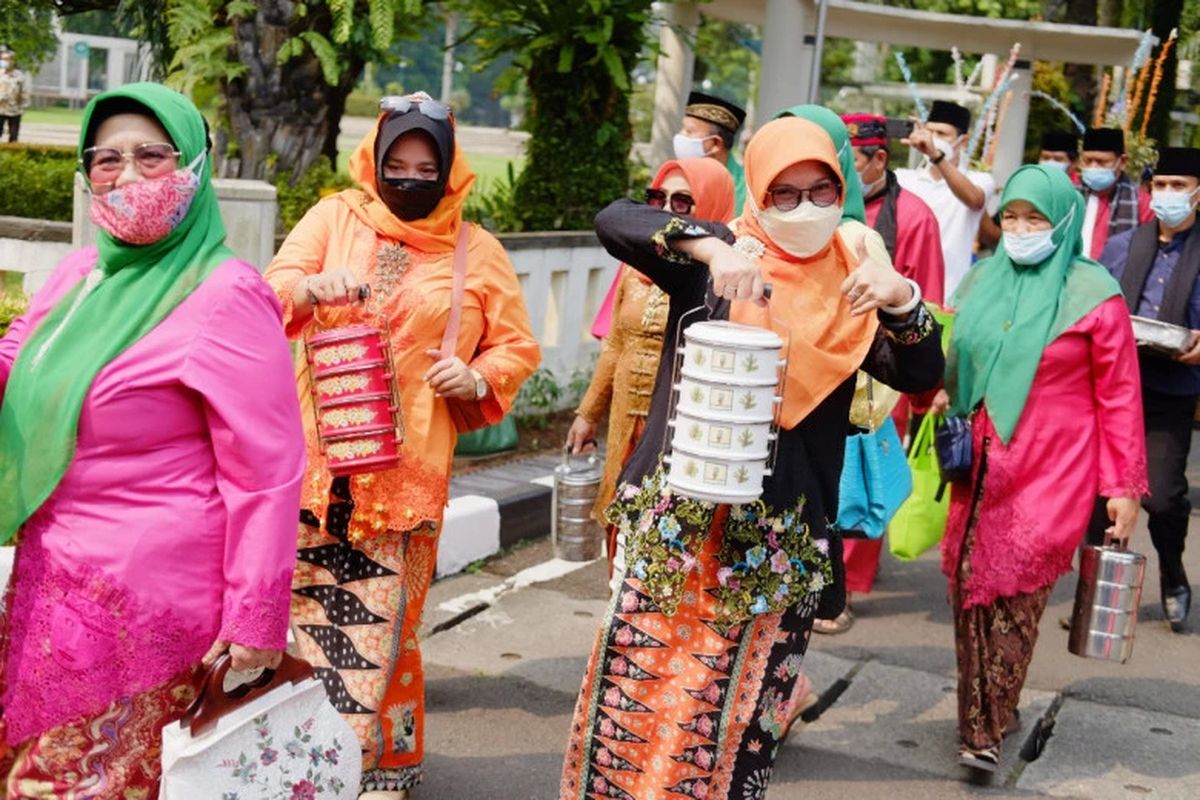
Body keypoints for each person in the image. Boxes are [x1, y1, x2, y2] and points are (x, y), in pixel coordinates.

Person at [559, 115, 944, 800]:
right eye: (784, 193)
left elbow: (919, 373)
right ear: (758, 194)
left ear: (842, 190)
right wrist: (710, 248)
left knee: (735, 711)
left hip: (780, 537)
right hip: (679, 527)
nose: (804, 209)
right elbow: (614, 218)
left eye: (820, 192)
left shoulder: (856, 289)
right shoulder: (719, 261)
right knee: (640, 691)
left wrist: (904, 300)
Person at [0, 83, 305, 794]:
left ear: (193, 165)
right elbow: (19, 360)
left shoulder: (225, 292)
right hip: (49, 584)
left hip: (146, 605)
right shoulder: (83, 274)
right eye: (106, 159)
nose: (127, 176)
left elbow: (267, 470)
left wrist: (257, 616)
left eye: (150, 156)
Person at [265, 92, 539, 799]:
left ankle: (336, 773)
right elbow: (270, 291)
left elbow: (518, 346)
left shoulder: (477, 250)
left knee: (370, 636)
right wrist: (308, 286)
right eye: (398, 163)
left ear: (449, 173)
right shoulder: (335, 216)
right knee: (296, 631)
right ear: (375, 161)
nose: (410, 178)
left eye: (427, 167)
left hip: (403, 478)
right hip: (310, 470)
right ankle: (352, 763)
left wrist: (477, 374)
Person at [931, 164, 1146, 773]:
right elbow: (956, 351)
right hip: (979, 469)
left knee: (1017, 595)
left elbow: (1120, 396)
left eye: (1037, 219)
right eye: (1014, 218)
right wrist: (946, 389)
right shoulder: (980, 282)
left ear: (1064, 223)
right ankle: (990, 712)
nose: (1022, 229)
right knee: (969, 590)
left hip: (1053, 472)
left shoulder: (1094, 295)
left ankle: (984, 729)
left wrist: (1123, 487)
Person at [567, 157, 735, 579]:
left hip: (676, 427)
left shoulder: (725, 278)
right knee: (618, 521)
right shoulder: (635, 270)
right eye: (658, 198)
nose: (667, 208)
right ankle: (617, 617)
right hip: (626, 421)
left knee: (665, 539)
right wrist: (588, 414)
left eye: (683, 200)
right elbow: (615, 346)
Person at [1094, 146, 1200, 632]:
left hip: (1171, 390)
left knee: (1162, 496)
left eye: (1179, 187)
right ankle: (1098, 590)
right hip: (1113, 387)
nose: (1167, 195)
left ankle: (1173, 570)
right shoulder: (1122, 246)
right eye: (1160, 185)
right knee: (1100, 493)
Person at [898, 100, 996, 297]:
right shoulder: (902, 179)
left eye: (942, 134)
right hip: (903, 292)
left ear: (963, 141)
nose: (932, 139)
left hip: (950, 293)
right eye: (930, 132)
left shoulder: (979, 180)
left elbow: (974, 200)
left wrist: (936, 156)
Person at [1078, 127, 1153, 260]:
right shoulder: (1071, 196)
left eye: (1102, 162)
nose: (1093, 167)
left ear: (1122, 162)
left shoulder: (1142, 203)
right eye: (1088, 161)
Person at [674, 91, 748, 212]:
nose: (680, 136)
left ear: (715, 143)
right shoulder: (675, 178)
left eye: (689, 131)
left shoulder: (744, 195)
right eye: (682, 128)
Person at [0, 51, 30, 143]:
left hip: (15, 109)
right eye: (2, 59)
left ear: (13, 61)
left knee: (13, 136)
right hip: (0, 108)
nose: (4, 61)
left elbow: (24, 91)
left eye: (6, 59)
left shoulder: (19, 75)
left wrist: (24, 104)